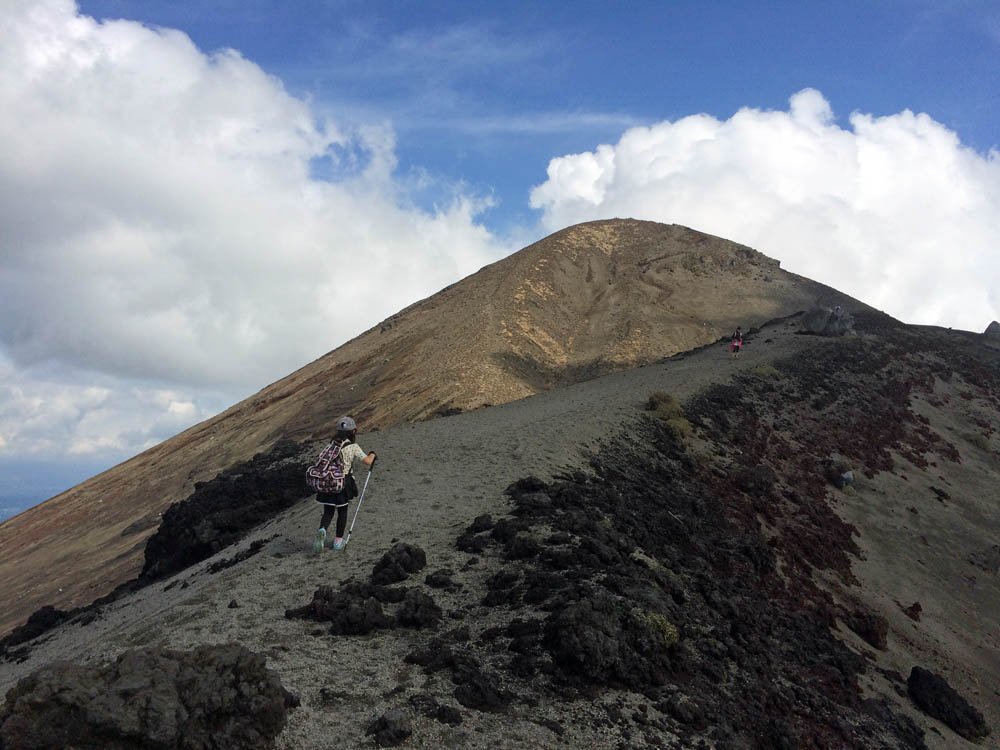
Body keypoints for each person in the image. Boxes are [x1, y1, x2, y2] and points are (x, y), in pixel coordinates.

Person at [312, 416, 376, 552]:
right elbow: (367, 461)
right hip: (343, 482)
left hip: (328, 482)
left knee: (328, 512)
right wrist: (372, 455)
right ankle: (338, 542)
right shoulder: (352, 446)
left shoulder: (331, 444)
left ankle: (322, 530)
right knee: (342, 512)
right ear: (353, 431)